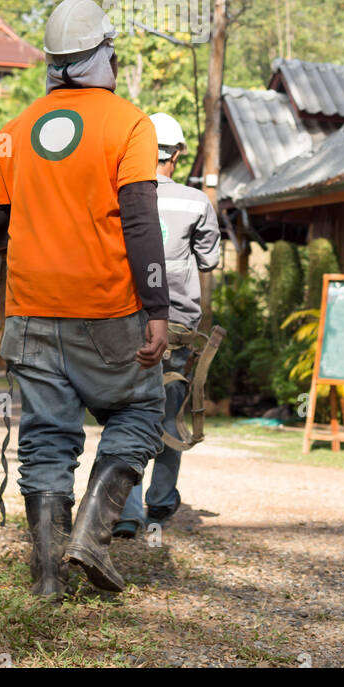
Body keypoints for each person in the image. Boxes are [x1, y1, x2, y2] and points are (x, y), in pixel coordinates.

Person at [0, 0, 169, 601]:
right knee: (140, 413)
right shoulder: (130, 124)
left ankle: (48, 577)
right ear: (101, 55)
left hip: (30, 312)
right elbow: (140, 221)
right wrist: (158, 310)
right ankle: (91, 532)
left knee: (45, 437)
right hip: (107, 312)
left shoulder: (16, 130)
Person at [113, 112, 221, 538]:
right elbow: (210, 261)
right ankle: (158, 503)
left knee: (126, 415)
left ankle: (126, 510)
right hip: (176, 327)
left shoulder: (118, 195)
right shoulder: (197, 202)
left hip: (125, 324)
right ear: (176, 154)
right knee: (170, 415)